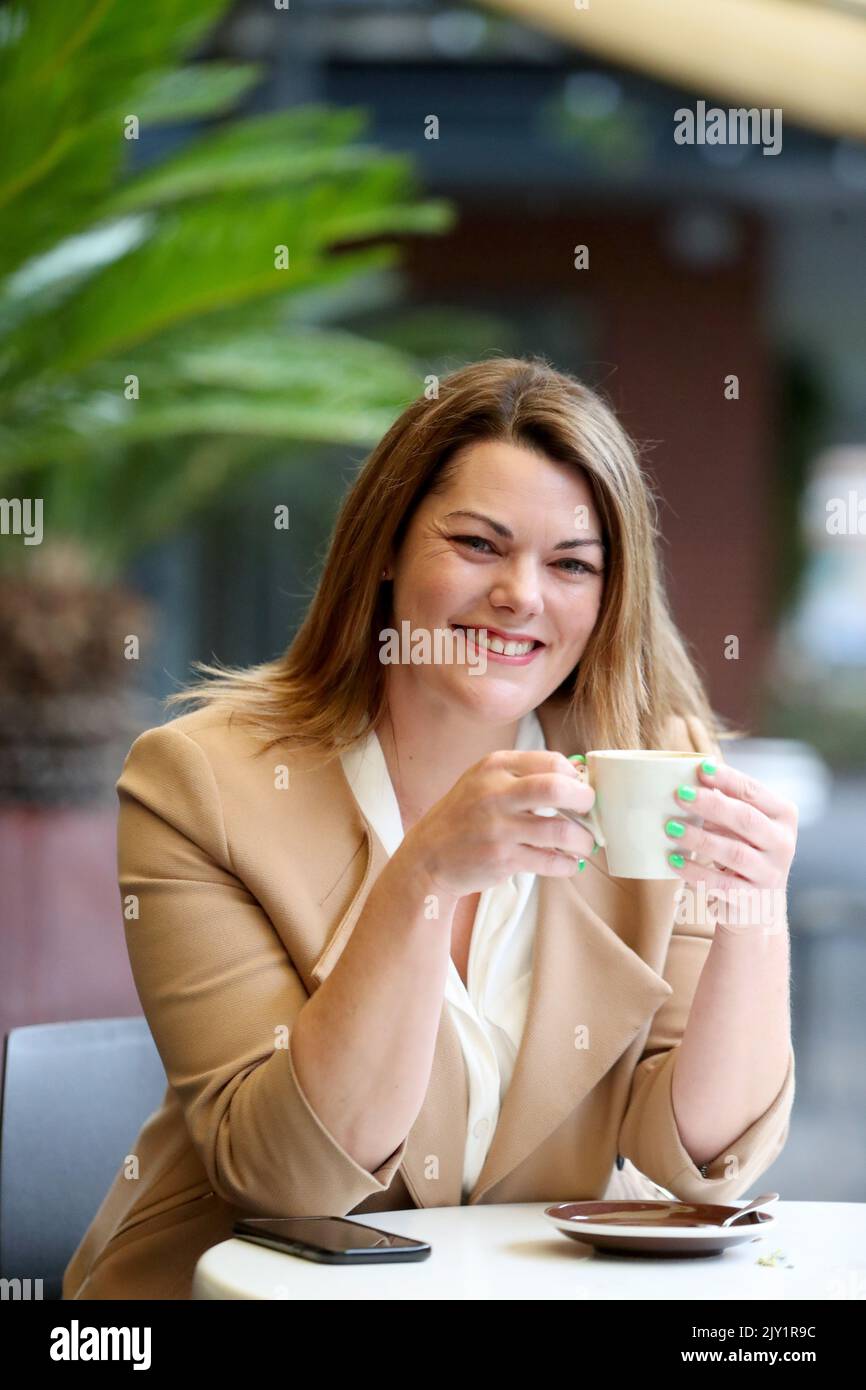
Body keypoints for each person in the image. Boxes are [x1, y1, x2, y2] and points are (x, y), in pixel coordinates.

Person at [63, 357, 796, 1299]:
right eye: (480, 544)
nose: (522, 595)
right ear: (386, 546)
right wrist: (421, 881)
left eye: (572, 564)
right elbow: (288, 1176)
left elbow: (698, 1166)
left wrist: (752, 914)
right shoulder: (203, 783)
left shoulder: (654, 770)